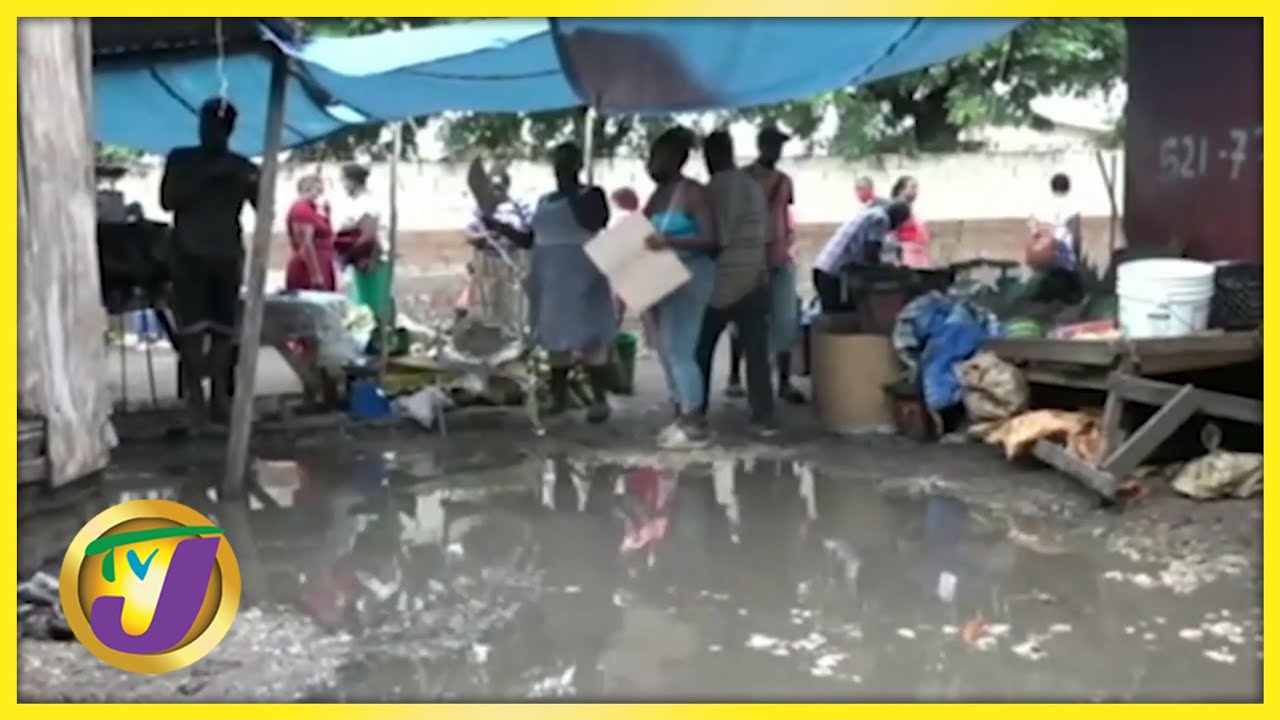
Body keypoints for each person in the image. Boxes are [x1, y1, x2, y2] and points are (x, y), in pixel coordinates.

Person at [483, 142, 615, 423]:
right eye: (558, 161)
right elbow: (530, 239)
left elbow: (596, 222)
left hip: (584, 270)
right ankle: (559, 397)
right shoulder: (545, 201)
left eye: (568, 161)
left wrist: (574, 191)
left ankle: (599, 399)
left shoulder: (591, 195)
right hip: (551, 275)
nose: (561, 167)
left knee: (590, 333)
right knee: (556, 337)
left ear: (578, 165)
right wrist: (498, 226)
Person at [159, 98, 258, 425]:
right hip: (188, 253)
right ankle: (196, 398)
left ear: (228, 131)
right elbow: (167, 201)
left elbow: (265, 206)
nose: (207, 134)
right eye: (204, 127)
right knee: (190, 331)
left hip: (226, 254)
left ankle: (218, 395)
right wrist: (208, 177)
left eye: (215, 129)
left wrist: (255, 184)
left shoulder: (242, 167)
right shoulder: (181, 160)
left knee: (222, 331)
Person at [694, 130, 778, 436]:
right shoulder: (752, 186)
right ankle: (763, 417)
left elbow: (717, 239)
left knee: (700, 351)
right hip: (754, 277)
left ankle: (696, 412)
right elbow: (767, 235)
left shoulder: (716, 188)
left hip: (721, 283)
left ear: (710, 156)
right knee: (756, 353)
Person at [643, 127, 718, 449]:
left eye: (657, 155)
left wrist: (669, 241)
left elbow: (713, 240)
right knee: (666, 350)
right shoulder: (657, 196)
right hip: (663, 278)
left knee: (681, 350)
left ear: (676, 157)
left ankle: (694, 421)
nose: (652, 162)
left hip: (691, 276)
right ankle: (681, 413)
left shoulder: (693, 192)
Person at [741, 124, 806, 405]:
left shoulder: (783, 180)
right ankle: (739, 377)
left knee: (786, 319)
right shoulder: (744, 179)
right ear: (761, 146)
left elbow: (785, 215)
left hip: (777, 257)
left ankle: (783, 381)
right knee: (748, 320)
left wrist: (788, 241)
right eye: (773, 145)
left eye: (779, 146)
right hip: (752, 258)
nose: (777, 151)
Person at [464, 168, 532, 335]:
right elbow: (469, 234)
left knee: (513, 302)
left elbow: (529, 232)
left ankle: (515, 334)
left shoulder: (519, 207)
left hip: (514, 260)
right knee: (489, 303)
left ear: (507, 185)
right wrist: (485, 236)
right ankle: (491, 336)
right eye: (492, 185)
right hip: (488, 260)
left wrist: (508, 233)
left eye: (500, 185)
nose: (495, 190)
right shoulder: (480, 209)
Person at [811, 201, 912, 312]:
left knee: (840, 314)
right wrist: (887, 271)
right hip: (832, 274)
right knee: (842, 317)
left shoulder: (871, 213)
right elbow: (871, 254)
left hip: (824, 268)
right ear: (897, 219)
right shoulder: (881, 219)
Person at [1025, 172, 1084, 303]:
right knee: (1067, 287)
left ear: (1051, 187)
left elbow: (1031, 222)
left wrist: (1037, 234)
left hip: (1044, 249)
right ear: (1068, 187)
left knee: (1046, 280)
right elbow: (1075, 232)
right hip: (1064, 251)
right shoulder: (1072, 205)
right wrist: (1077, 253)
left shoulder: (1043, 203)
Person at [284, 174, 336, 292]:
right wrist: (315, 274)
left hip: (323, 262)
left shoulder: (314, 209)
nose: (320, 194)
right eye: (317, 189)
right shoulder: (301, 209)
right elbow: (306, 242)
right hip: (310, 266)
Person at [333, 163, 380, 280]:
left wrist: (347, 254)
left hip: (361, 261)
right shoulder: (355, 202)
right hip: (353, 260)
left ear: (353, 181)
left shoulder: (366, 202)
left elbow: (369, 234)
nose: (342, 185)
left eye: (343, 181)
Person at [891, 175, 932, 268]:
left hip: (918, 255)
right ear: (901, 190)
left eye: (916, 188)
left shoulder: (910, 210)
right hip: (907, 257)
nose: (915, 192)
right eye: (912, 187)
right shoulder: (896, 209)